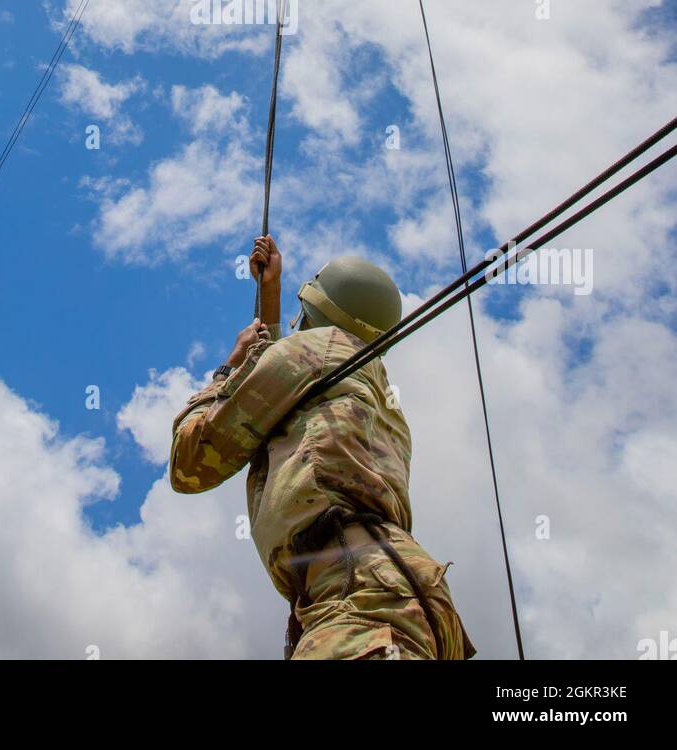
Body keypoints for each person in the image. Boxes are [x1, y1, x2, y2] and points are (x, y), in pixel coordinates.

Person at [170, 234, 475, 660]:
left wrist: (227, 371)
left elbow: (191, 464)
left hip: (358, 594)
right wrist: (269, 296)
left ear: (311, 313)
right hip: (406, 594)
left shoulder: (316, 351)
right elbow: (288, 393)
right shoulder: (370, 386)